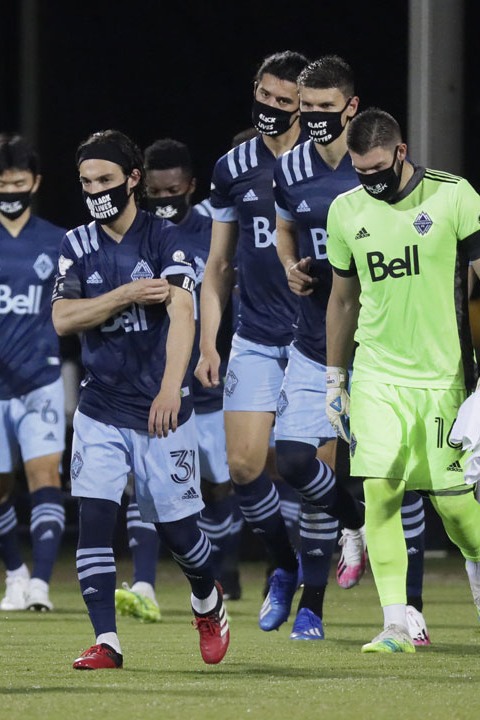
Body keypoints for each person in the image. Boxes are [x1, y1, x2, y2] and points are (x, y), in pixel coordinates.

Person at [324, 108, 480, 653]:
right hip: (377, 373)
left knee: (453, 505)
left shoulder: (453, 195)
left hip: (443, 376)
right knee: (380, 491)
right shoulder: (345, 211)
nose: (370, 180)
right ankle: (394, 624)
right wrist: (335, 377)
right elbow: (342, 299)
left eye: (378, 168)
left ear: (401, 152)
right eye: (360, 171)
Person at [273, 55, 434, 643]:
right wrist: (290, 265)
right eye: (306, 106)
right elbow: (285, 227)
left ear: (351, 107)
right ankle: (357, 522)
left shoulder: (381, 166)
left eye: (325, 106)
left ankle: (412, 609)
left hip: (383, 348)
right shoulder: (289, 168)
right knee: (293, 460)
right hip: (315, 339)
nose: (314, 116)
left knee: (399, 480)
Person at [54, 130, 228, 670]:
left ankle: (208, 599)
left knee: (181, 534)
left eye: (105, 179)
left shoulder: (166, 239)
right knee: (95, 518)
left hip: (161, 408)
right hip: (100, 406)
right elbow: (63, 319)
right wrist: (126, 294)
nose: (95, 191)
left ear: (132, 179)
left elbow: (182, 313)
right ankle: (107, 641)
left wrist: (171, 388)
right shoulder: (76, 244)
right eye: (86, 182)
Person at [197, 50, 314, 634]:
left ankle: (314, 602)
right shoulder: (232, 167)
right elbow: (219, 265)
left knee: (311, 473)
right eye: (264, 95)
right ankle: (283, 565)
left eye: (283, 101)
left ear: (305, 107)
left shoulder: (328, 163)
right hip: (257, 335)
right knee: (243, 464)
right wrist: (208, 343)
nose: (270, 107)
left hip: (318, 342)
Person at [111, 138, 231, 625]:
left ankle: (221, 573)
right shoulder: (136, 234)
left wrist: (218, 348)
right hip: (156, 383)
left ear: (192, 187)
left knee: (218, 483)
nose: (164, 200)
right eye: (156, 192)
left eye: (173, 191)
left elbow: (226, 292)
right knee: (146, 482)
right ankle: (144, 583)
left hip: (213, 380)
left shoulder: (215, 231)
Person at [0, 133, 69, 612]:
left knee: (46, 477)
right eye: (2, 185)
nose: (10, 192)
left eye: (19, 184)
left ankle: (41, 583)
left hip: (42, 381)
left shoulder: (59, 241)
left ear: (36, 182)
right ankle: (14, 573)